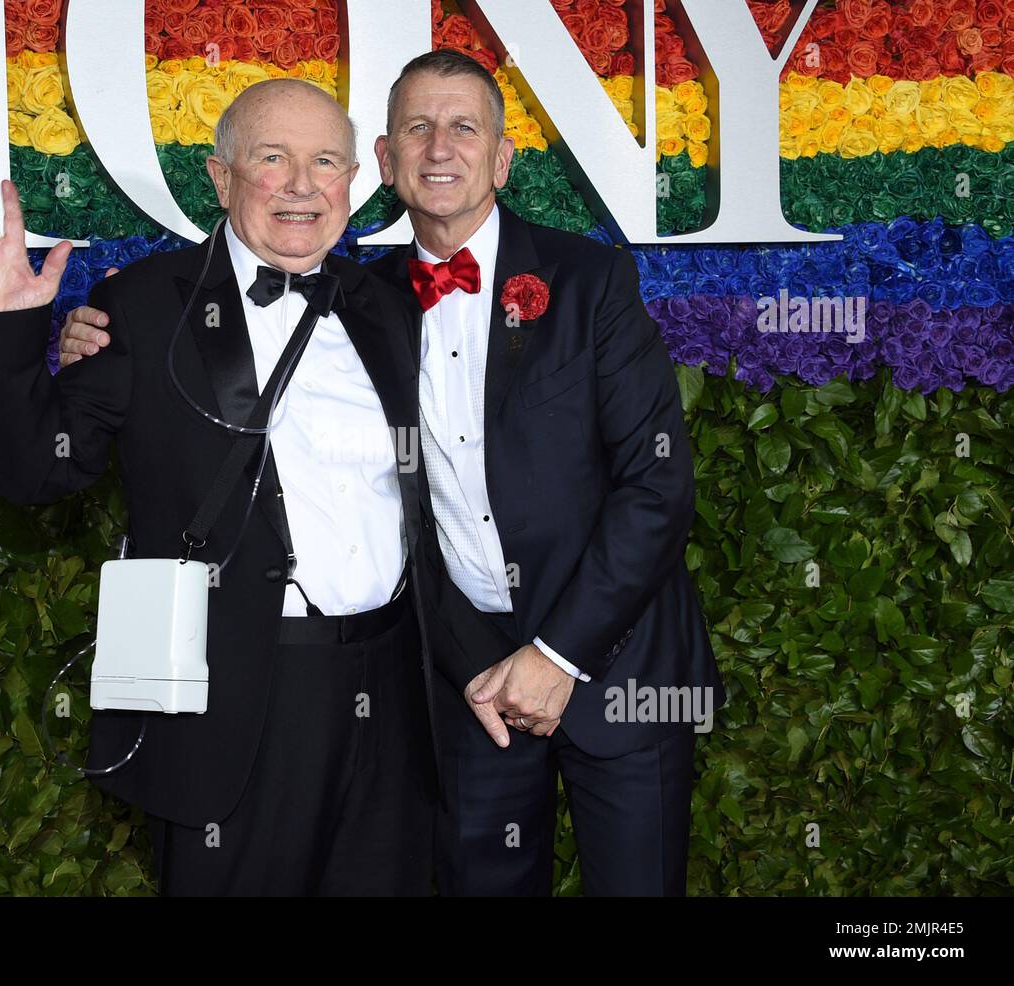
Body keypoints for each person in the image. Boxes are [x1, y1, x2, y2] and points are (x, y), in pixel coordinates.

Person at [59, 52, 725, 897]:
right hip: (465, 682)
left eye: (463, 127)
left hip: (618, 667)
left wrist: (557, 656)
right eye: (417, 126)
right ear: (382, 161)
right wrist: (98, 332)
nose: (439, 146)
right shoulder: (360, 298)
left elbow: (657, 487)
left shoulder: (588, 280)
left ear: (503, 158)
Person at [0, 78, 437, 896]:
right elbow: (34, 473)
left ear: (354, 180)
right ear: (221, 176)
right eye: (273, 159)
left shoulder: (388, 305)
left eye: (325, 162)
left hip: (394, 690)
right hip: (241, 695)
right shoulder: (142, 305)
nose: (303, 185)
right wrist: (8, 328)